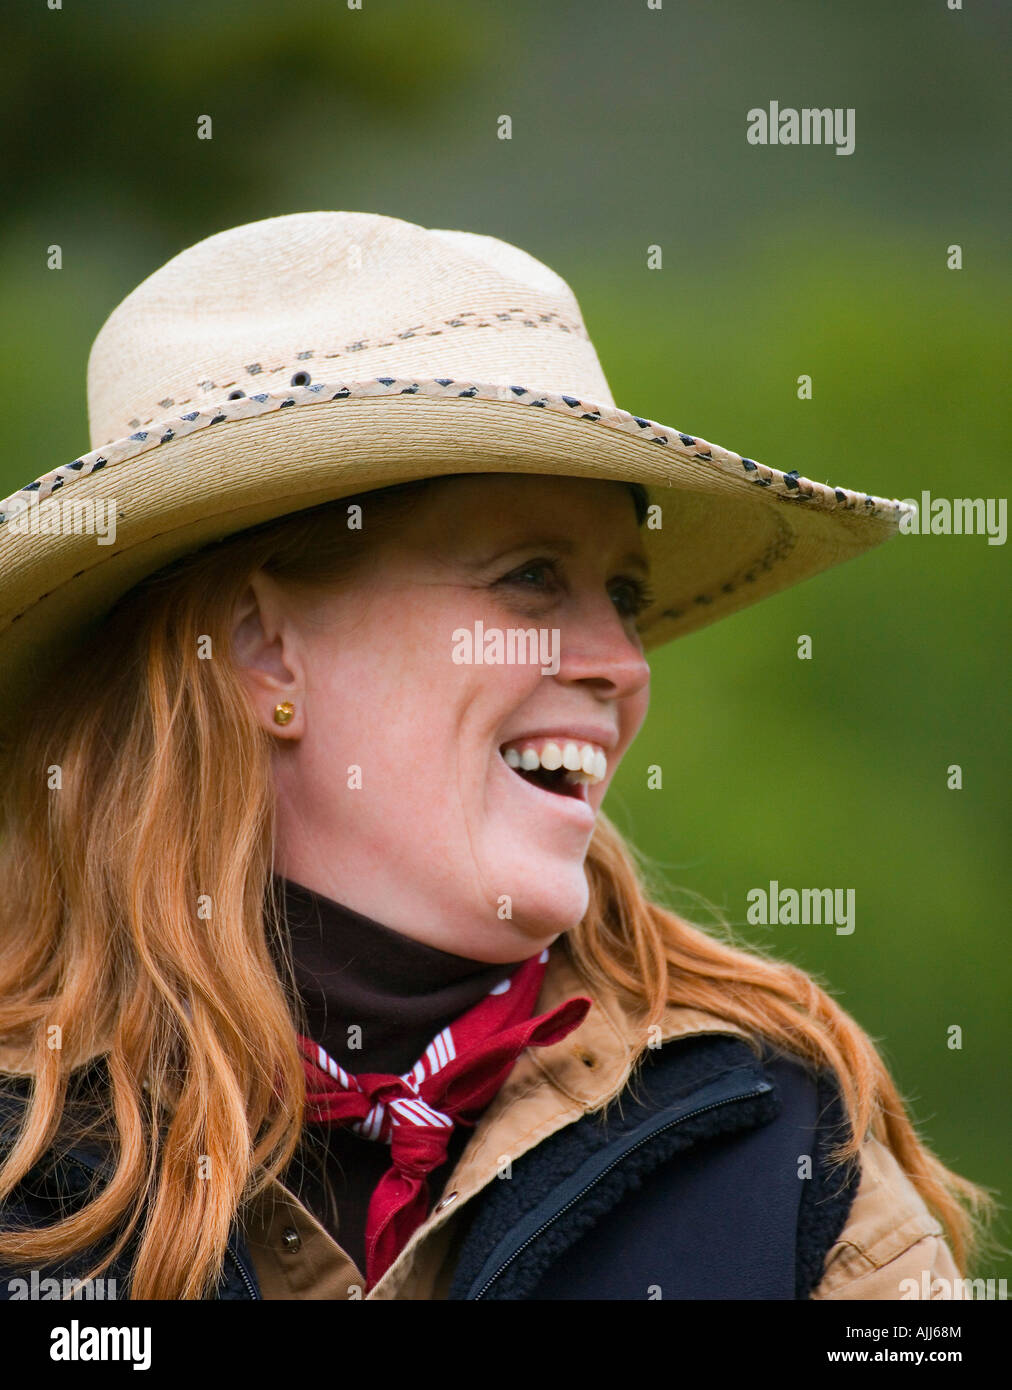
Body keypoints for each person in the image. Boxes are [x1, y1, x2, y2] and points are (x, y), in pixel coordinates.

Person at [0, 211, 992, 1301]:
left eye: (622, 594)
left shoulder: (783, 1149)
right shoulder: (22, 1158)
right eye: (529, 576)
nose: (623, 660)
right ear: (262, 648)